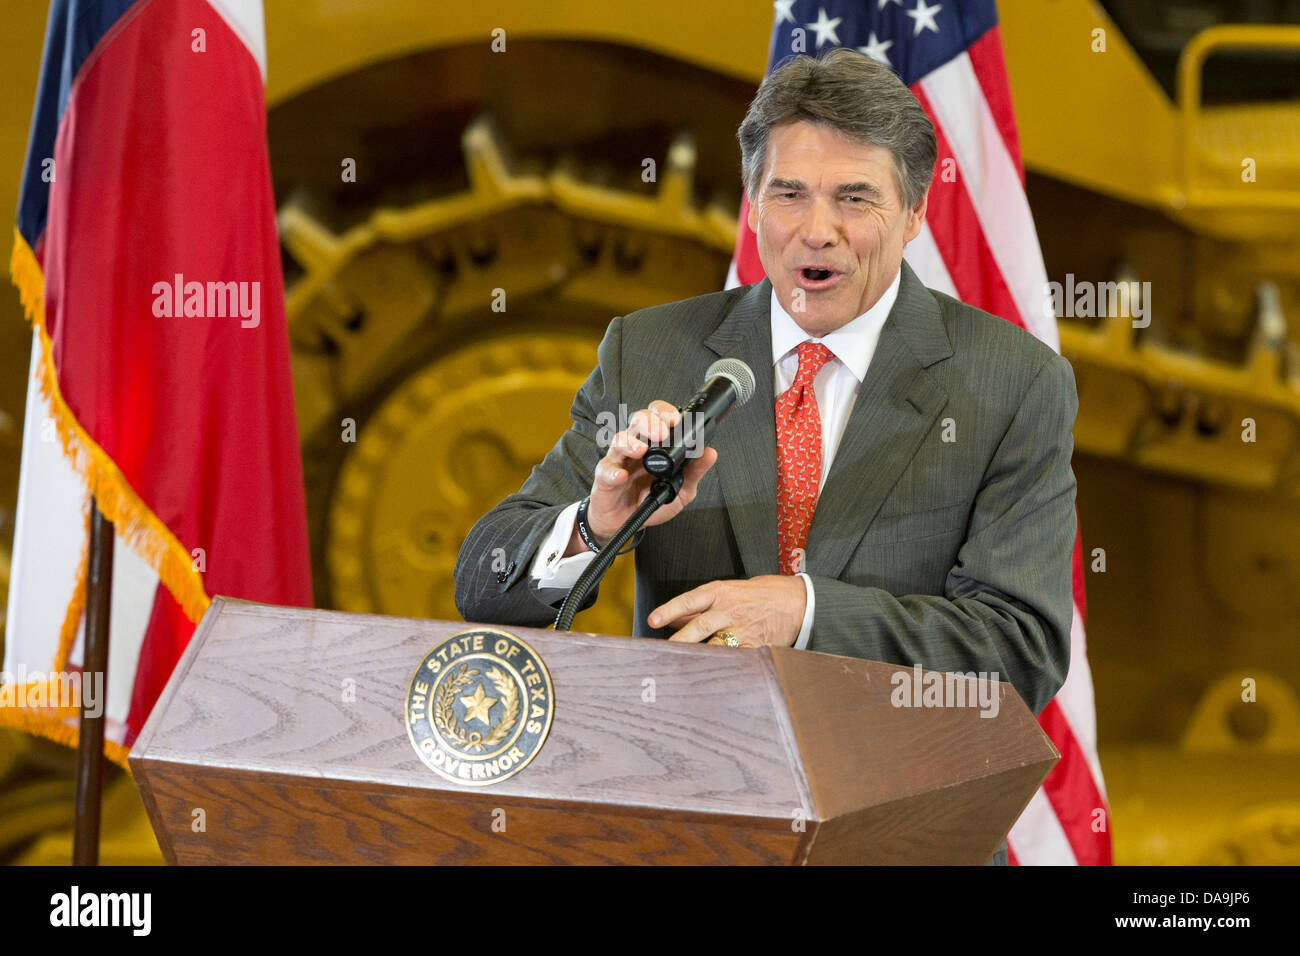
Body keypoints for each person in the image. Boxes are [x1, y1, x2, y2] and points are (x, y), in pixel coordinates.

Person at [454, 50, 1077, 863]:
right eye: (790, 194)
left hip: (905, 838)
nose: (817, 230)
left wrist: (808, 614)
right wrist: (592, 523)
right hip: (685, 831)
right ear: (753, 206)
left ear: (916, 213)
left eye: (855, 198)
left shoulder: (1012, 382)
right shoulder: (652, 352)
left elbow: (1019, 648)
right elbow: (483, 585)